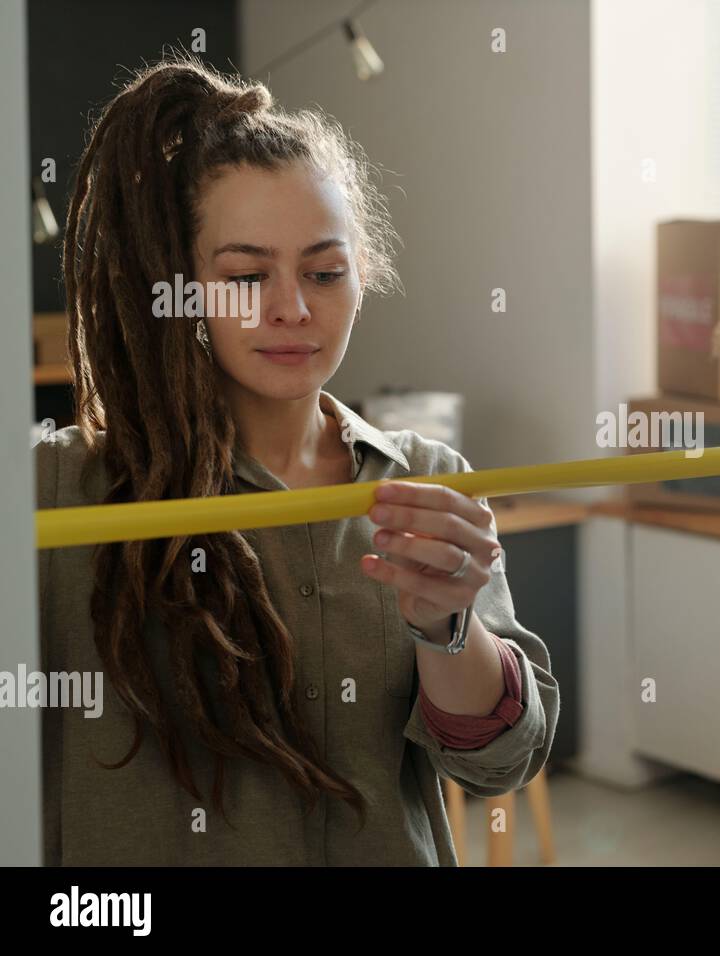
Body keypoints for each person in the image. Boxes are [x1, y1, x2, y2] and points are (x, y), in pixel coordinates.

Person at [36, 55, 558, 866]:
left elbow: (497, 765)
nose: (292, 307)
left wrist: (447, 626)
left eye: (324, 272)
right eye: (246, 275)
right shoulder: (60, 493)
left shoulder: (424, 479)